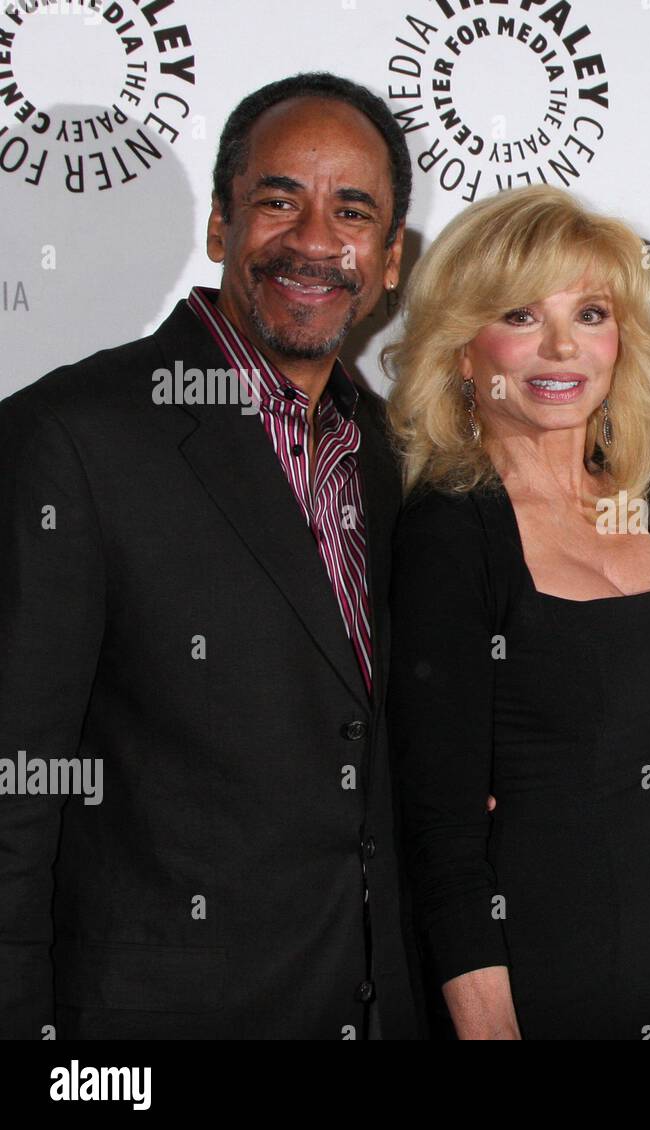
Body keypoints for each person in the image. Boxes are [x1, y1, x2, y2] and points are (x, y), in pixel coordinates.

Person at [0, 73, 422, 1039]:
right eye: (280, 201)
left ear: (391, 257)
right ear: (222, 228)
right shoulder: (70, 439)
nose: (316, 242)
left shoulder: (394, 457)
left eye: (352, 212)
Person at [385, 185, 650, 1040]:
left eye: (591, 313)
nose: (562, 346)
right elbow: (440, 829)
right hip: (533, 971)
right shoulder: (451, 533)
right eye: (520, 315)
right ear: (461, 351)